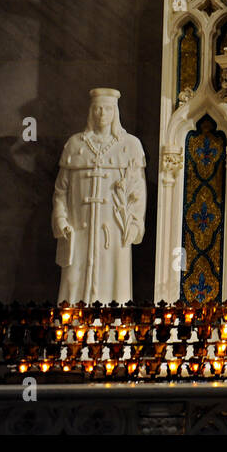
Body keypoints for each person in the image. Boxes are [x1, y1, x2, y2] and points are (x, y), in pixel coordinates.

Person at [52, 89, 147, 304]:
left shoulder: (130, 146)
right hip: (78, 232)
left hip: (113, 234)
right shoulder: (75, 145)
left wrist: (134, 223)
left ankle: (113, 331)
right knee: (75, 284)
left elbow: (138, 193)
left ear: (115, 112)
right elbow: (61, 191)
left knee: (113, 284)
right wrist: (61, 220)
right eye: (97, 108)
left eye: (106, 109)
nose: (101, 113)